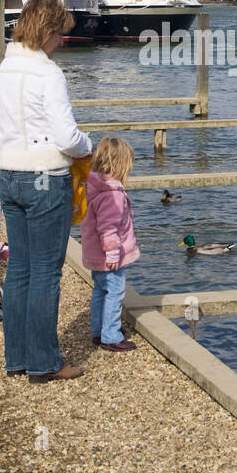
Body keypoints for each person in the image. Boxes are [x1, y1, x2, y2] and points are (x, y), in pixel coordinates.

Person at [0, 0, 92, 383]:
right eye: (59, 35)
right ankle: (44, 362)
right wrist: (88, 146)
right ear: (47, 31)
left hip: (10, 174)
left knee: (19, 270)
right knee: (47, 273)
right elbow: (66, 137)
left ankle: (16, 357)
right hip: (46, 177)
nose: (61, 42)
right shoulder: (48, 74)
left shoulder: (2, 71)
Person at [80, 137, 140, 352]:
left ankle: (98, 331)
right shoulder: (112, 194)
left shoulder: (92, 185)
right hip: (107, 256)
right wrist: (113, 254)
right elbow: (108, 228)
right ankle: (111, 336)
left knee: (100, 291)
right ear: (122, 165)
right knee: (115, 292)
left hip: (93, 252)